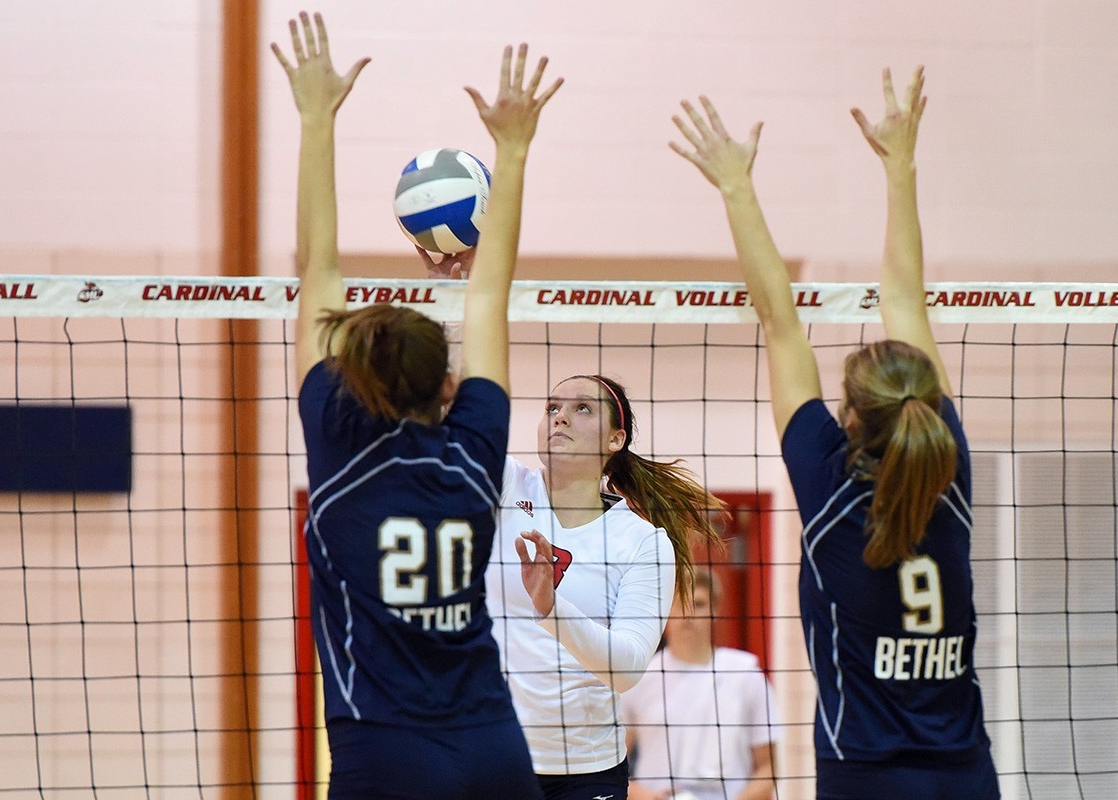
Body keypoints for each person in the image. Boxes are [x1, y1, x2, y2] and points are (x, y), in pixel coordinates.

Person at [670, 69, 999, 800]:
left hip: (867, 777)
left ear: (850, 419)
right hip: (967, 775)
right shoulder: (948, 466)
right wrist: (903, 164)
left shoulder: (830, 490)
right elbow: (905, 295)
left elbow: (779, 318)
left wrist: (735, 186)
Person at [273, 12, 561, 798]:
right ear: (448, 387)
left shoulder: (338, 450)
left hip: (386, 755)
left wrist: (315, 119)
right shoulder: (475, 456)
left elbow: (318, 271)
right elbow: (490, 296)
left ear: (359, 377)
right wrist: (512, 152)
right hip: (493, 747)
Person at [489, 371, 728, 800]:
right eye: (552, 408)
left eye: (582, 408)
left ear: (615, 440)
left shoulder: (642, 541)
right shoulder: (506, 485)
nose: (560, 417)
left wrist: (550, 606)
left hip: (585, 767)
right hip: (495, 751)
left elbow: (628, 668)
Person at [622, 570, 777, 800]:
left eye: (699, 604)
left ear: (715, 611)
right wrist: (643, 795)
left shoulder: (745, 673)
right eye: (680, 604)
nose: (689, 614)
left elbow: (769, 769)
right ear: (665, 613)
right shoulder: (639, 676)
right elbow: (609, 765)